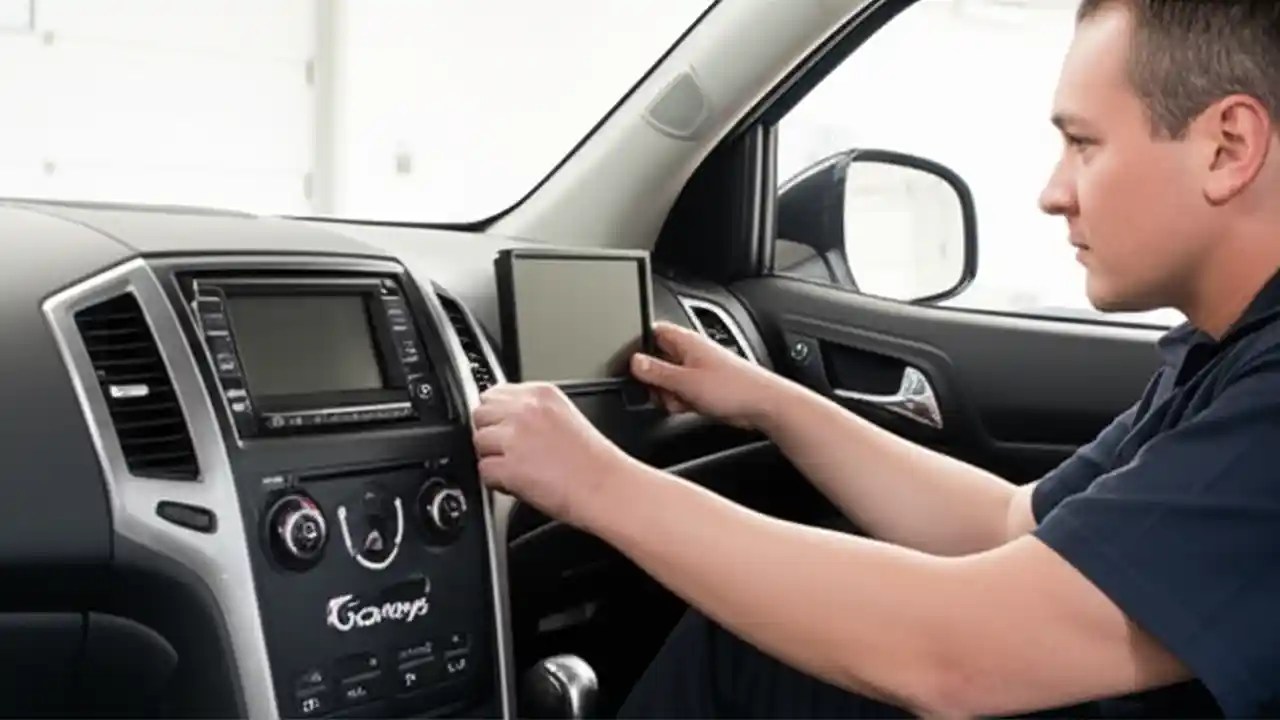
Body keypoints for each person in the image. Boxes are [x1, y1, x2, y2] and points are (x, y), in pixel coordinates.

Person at [470, 0, 1280, 715]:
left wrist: (597, 483)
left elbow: (954, 657)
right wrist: (769, 402)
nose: (1052, 191)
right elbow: (1002, 524)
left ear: (1227, 147)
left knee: (750, 658)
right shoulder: (1220, 354)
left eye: (1084, 144)